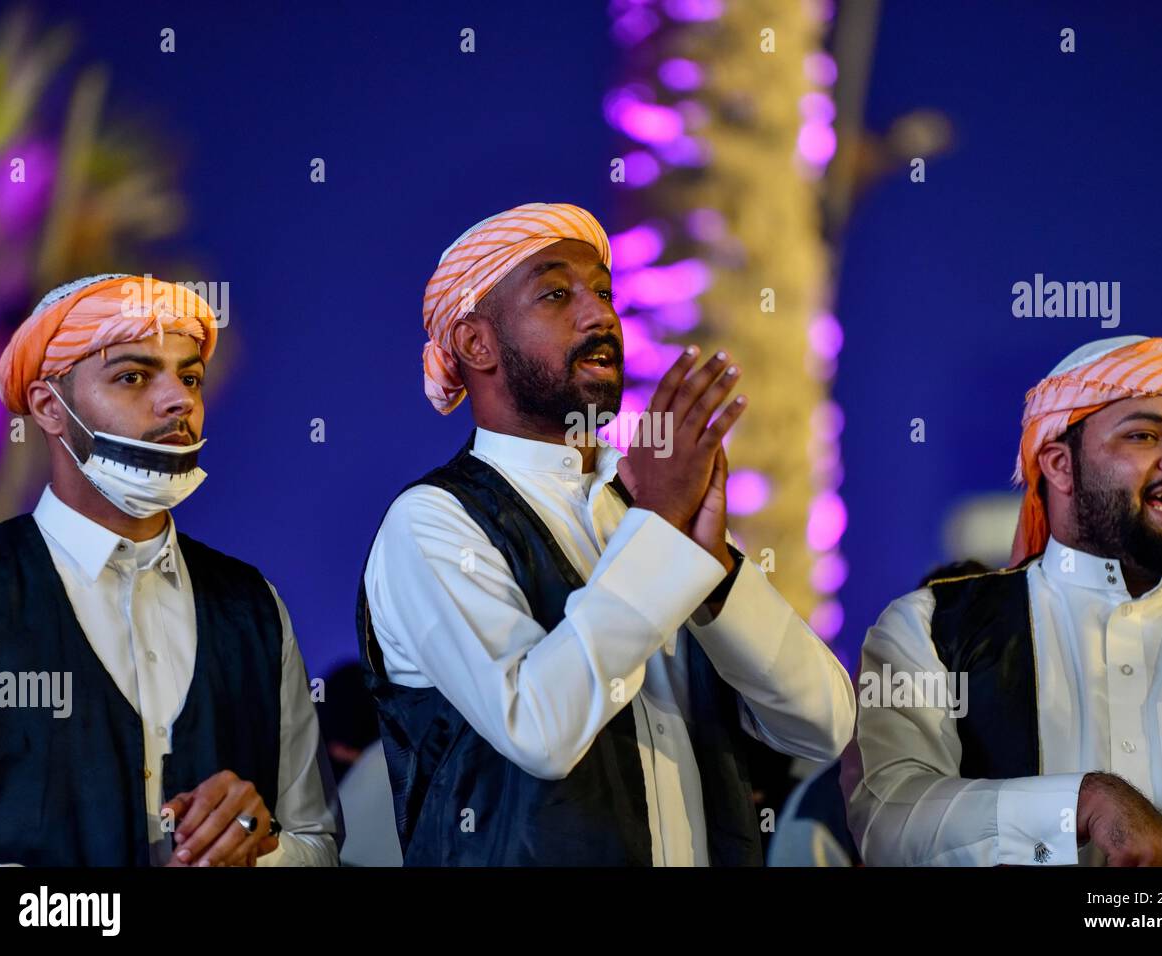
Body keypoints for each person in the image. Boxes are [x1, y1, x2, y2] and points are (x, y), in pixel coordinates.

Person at [358, 202, 855, 865]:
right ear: (477, 344)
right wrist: (661, 532)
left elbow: (824, 724)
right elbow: (539, 731)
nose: (600, 316)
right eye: (557, 294)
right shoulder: (433, 523)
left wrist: (712, 570)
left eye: (603, 293)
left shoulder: (649, 510)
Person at [848, 335, 1162, 866]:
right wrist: (1080, 804)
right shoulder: (933, 630)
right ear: (1058, 465)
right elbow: (888, 819)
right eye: (1143, 435)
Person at [0, 274, 340, 866]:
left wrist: (258, 846)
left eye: (189, 377)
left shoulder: (251, 605)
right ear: (48, 407)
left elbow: (318, 844)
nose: (180, 402)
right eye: (133, 376)